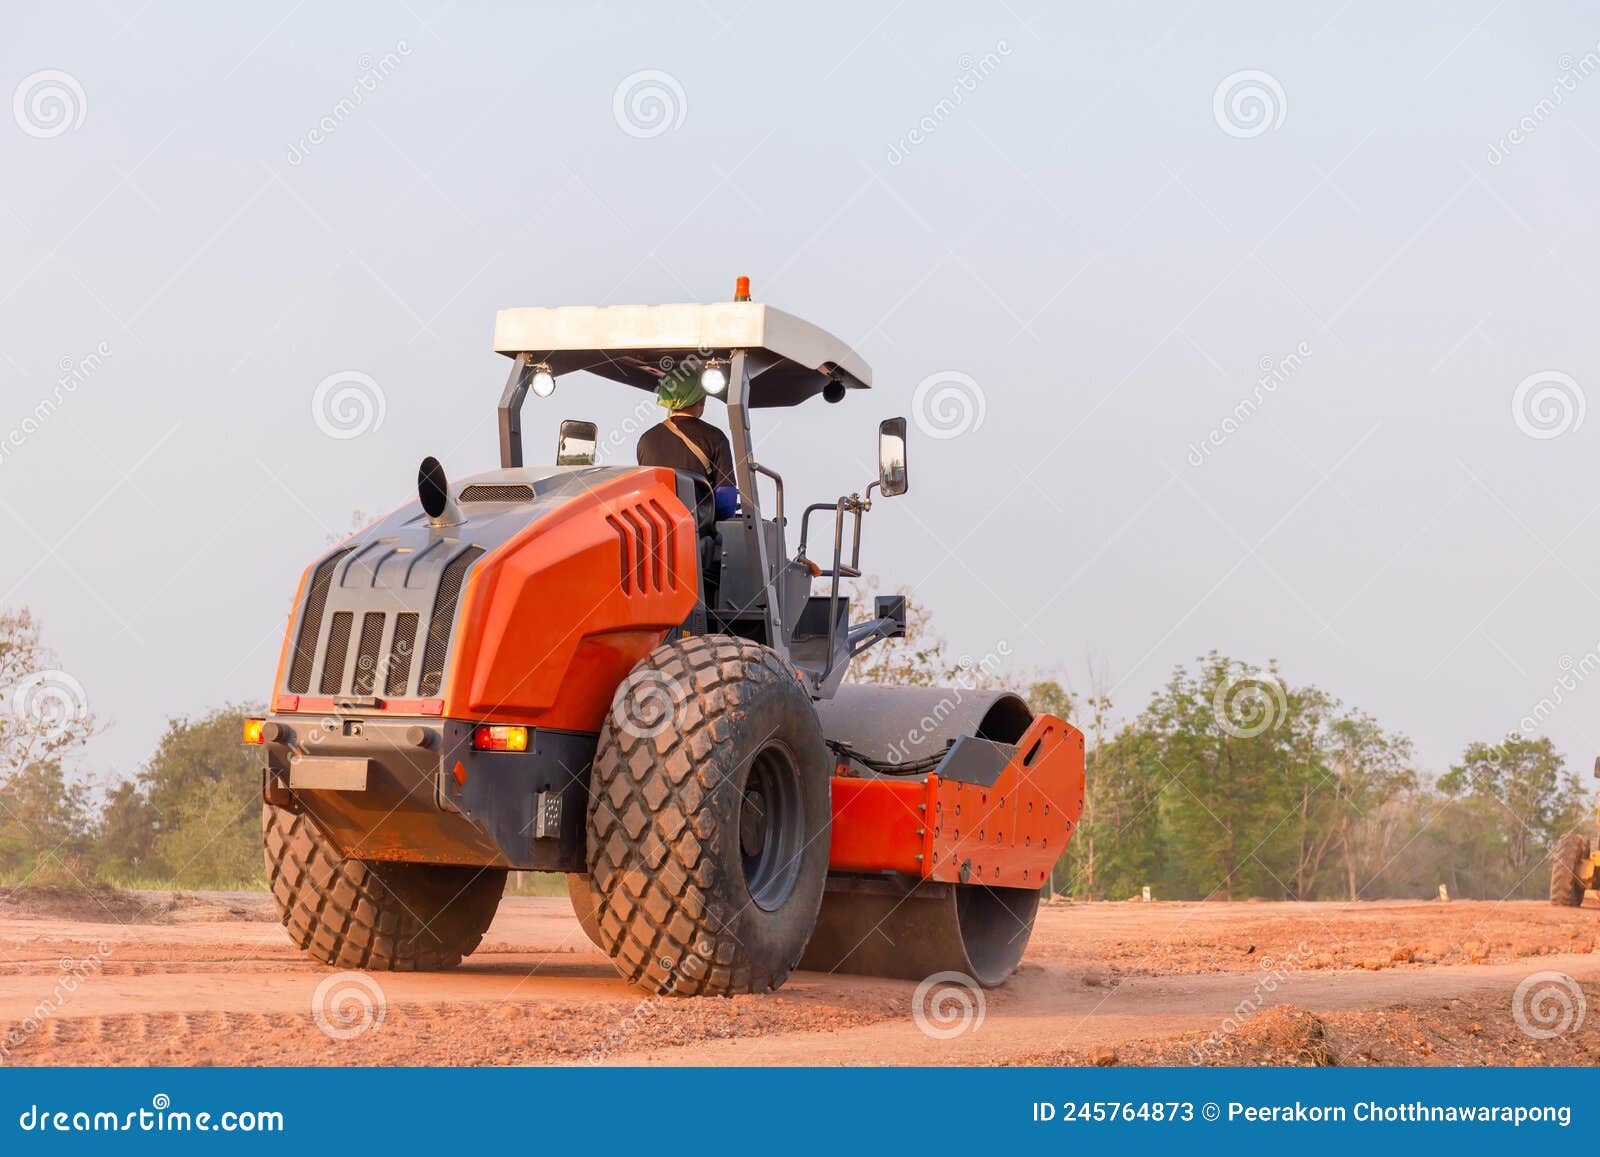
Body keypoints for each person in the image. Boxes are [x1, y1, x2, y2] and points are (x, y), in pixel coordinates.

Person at [637, 365, 739, 520]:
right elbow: (726, 501)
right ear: (702, 399)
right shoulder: (715, 437)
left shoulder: (646, 439)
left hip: (655, 528)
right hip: (698, 533)